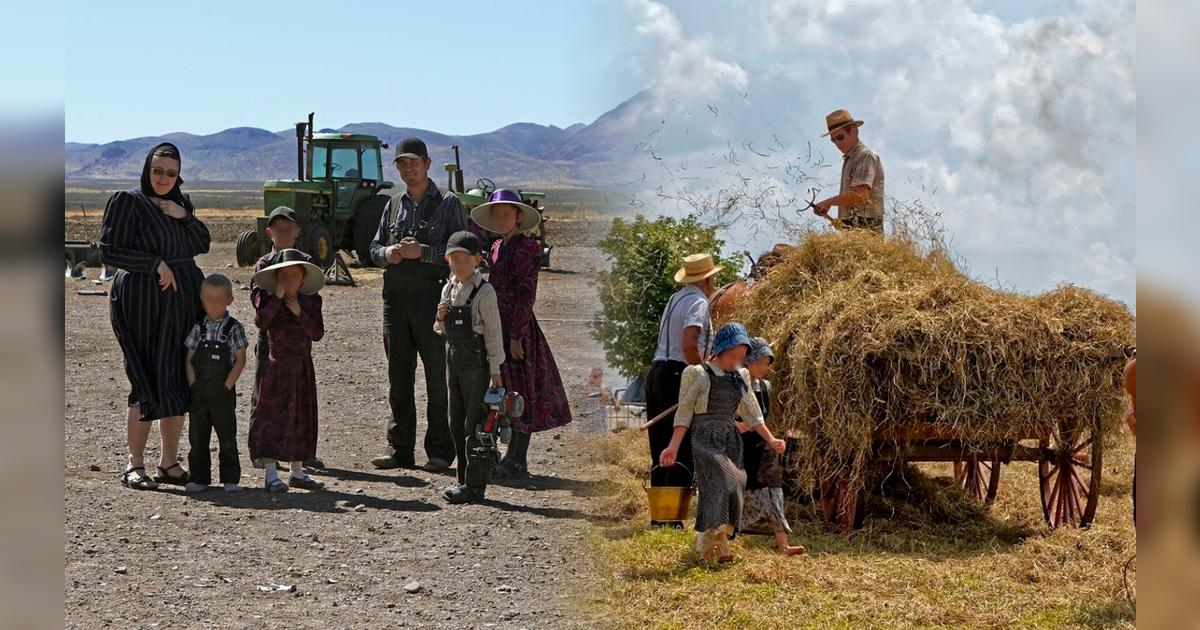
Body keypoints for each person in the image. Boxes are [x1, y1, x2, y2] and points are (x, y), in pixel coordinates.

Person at [101, 142, 211, 490]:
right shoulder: (128, 201)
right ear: (147, 170)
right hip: (142, 297)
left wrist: (184, 216)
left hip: (183, 299)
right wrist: (154, 264)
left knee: (177, 375)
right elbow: (109, 250)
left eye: (171, 173)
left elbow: (203, 243)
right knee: (145, 375)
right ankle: (134, 464)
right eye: (158, 171)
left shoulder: (180, 203)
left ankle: (169, 463)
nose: (164, 178)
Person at [369, 138, 470, 473]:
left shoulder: (448, 203)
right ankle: (399, 449)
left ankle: (440, 451)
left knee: (437, 378)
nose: (407, 168)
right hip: (395, 301)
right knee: (398, 377)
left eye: (413, 162)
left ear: (427, 164)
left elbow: (464, 250)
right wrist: (388, 253)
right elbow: (373, 247)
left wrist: (423, 252)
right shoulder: (393, 203)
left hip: (434, 301)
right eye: (402, 163)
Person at [659, 323, 787, 564]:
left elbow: (752, 413)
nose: (736, 362)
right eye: (732, 356)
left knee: (733, 485)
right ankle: (722, 546)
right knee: (724, 482)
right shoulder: (698, 374)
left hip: (730, 438)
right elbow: (684, 413)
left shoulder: (741, 376)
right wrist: (673, 447)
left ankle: (706, 547)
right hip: (706, 437)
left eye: (741, 358)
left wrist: (771, 439)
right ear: (720, 350)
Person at [470, 189, 573, 478]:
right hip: (496, 326)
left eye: (506, 215)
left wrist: (517, 335)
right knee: (502, 391)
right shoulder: (497, 247)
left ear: (517, 217)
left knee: (519, 392)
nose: (500, 220)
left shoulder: (526, 247)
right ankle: (506, 454)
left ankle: (518, 459)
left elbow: (526, 294)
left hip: (517, 329)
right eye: (496, 215)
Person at [644, 253, 721, 527]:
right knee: (682, 443)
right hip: (678, 375)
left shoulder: (675, 299)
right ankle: (673, 517)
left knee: (660, 445)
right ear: (708, 280)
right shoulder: (699, 303)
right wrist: (704, 373)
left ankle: (660, 515)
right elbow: (689, 343)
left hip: (657, 372)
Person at [249, 206, 322, 471]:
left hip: (299, 351)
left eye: (288, 228)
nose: (283, 233)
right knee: (265, 398)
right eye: (278, 229)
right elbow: (260, 311)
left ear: (297, 231)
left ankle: (299, 455)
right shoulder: (264, 265)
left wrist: (299, 311)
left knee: (299, 402)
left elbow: (316, 325)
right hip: (271, 344)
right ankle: (262, 452)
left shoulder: (306, 262)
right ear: (270, 233)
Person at [434, 231, 505, 504]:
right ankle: (462, 478)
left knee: (474, 423)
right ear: (447, 260)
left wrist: (496, 370)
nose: (460, 265)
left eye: (465, 260)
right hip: (453, 360)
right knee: (455, 420)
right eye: (455, 260)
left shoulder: (484, 292)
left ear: (477, 260)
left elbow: (493, 333)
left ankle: (475, 485)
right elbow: (440, 329)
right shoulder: (449, 288)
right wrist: (440, 317)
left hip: (477, 364)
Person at [737, 337, 805, 555]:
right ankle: (726, 540)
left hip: (762, 444)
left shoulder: (766, 387)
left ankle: (784, 545)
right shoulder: (734, 384)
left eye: (767, 363)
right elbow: (718, 413)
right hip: (739, 446)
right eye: (760, 362)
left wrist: (773, 439)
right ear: (748, 362)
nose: (765, 367)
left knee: (773, 489)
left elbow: (762, 419)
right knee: (738, 492)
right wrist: (736, 424)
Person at [183, 274, 248, 493]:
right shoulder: (198, 327)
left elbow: (240, 360)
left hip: (223, 392)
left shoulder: (234, 328)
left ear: (229, 300)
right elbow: (189, 359)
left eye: (219, 299)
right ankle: (199, 478)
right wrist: (193, 385)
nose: (213, 304)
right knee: (198, 437)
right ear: (201, 299)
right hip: (199, 391)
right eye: (208, 299)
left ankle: (230, 479)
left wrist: (227, 386)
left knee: (227, 437)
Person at [812, 109, 886, 233]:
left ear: (853, 131)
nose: (837, 143)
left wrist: (828, 203)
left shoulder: (865, 156)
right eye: (833, 140)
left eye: (840, 138)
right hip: (853, 229)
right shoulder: (849, 159)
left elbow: (860, 196)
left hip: (867, 227)